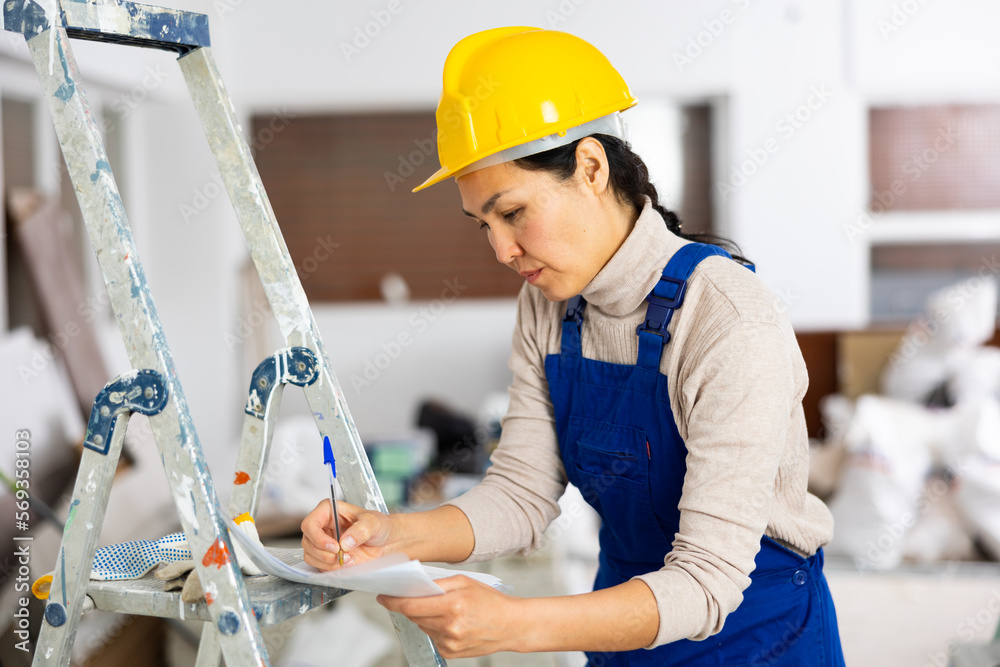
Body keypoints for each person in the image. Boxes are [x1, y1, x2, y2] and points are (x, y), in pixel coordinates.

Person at [301, 26, 845, 665]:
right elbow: (521, 495)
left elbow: (706, 582)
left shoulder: (726, 319)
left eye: (512, 214)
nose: (502, 251)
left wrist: (514, 626)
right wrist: (393, 533)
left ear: (591, 167)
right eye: (484, 225)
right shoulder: (549, 307)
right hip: (620, 628)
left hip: (756, 635)